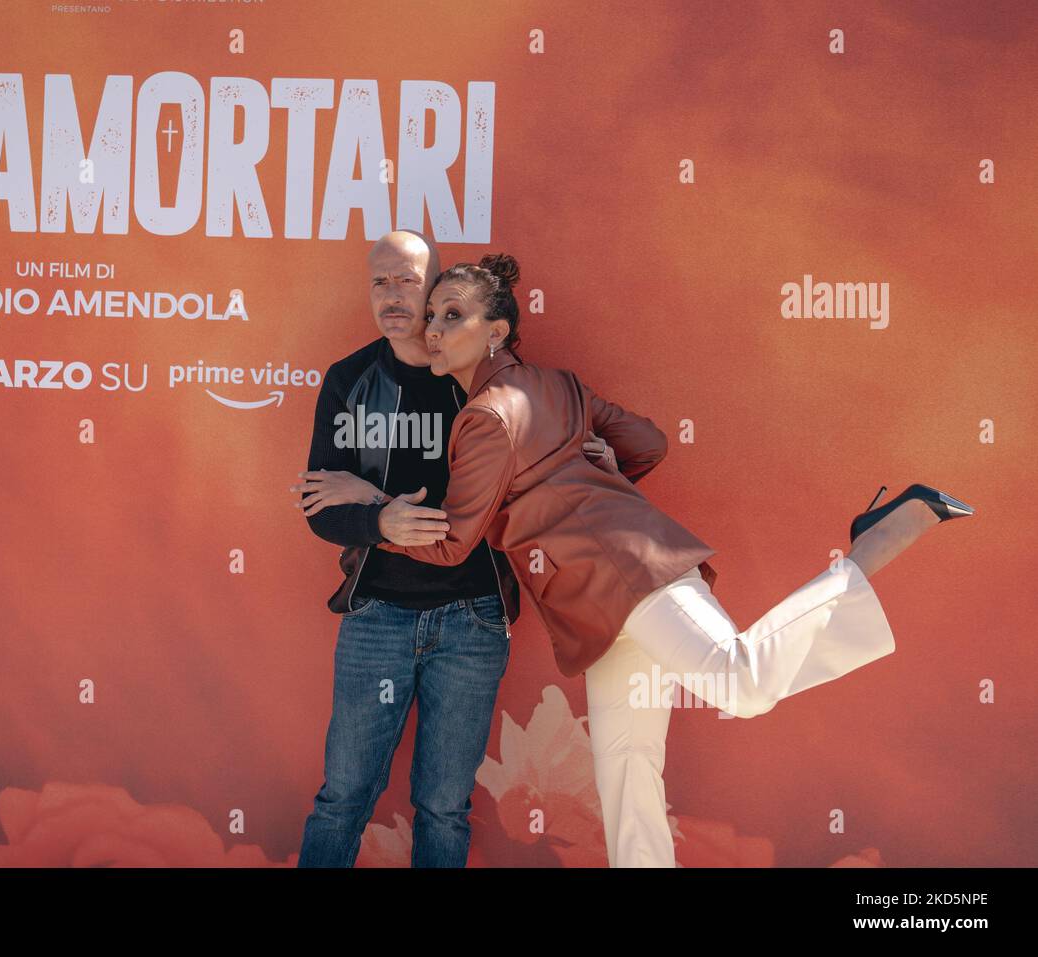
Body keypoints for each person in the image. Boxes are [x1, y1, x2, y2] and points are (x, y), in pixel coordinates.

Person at [364, 251, 974, 867]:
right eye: (432, 317)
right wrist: (592, 460)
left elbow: (450, 542)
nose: (434, 329)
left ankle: (870, 545)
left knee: (742, 682)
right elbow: (649, 442)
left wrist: (369, 514)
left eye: (452, 314)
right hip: (603, 606)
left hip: (627, 577)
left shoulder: (483, 416)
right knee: (628, 775)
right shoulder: (562, 386)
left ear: (496, 331)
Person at [291, 230, 522, 868]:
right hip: (377, 615)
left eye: (408, 280)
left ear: (436, 289)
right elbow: (319, 506)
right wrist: (377, 524)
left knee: (445, 806)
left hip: (473, 617)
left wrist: (372, 499)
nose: (392, 295)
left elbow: (513, 494)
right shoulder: (350, 379)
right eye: (379, 281)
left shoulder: (483, 378)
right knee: (343, 795)